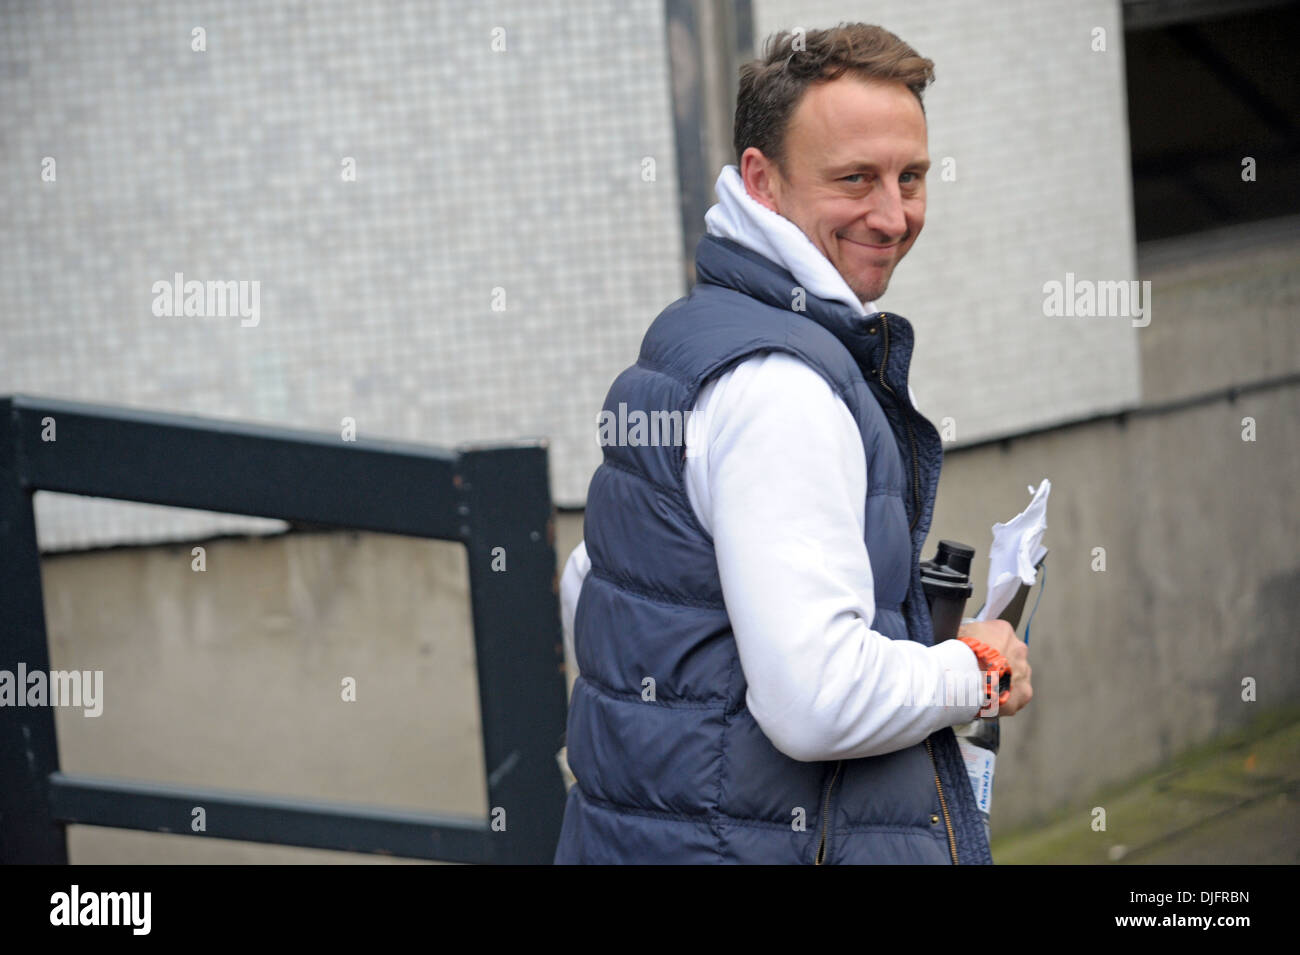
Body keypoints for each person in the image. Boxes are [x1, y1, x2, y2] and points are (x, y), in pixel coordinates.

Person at [553, 22, 1031, 865]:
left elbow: (592, 586)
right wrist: (973, 671)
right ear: (761, 180)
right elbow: (815, 701)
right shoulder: (784, 387)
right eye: (855, 179)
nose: (893, 215)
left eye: (911, 177)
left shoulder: (694, 334)